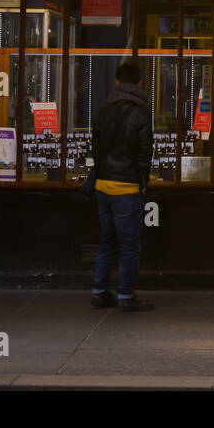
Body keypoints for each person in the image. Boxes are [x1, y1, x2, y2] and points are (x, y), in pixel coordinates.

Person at [90, 59, 155, 312]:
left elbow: (95, 146)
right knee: (129, 245)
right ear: (139, 83)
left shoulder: (104, 110)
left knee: (106, 241)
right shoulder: (141, 112)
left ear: (117, 82)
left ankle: (99, 292)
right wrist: (143, 181)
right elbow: (144, 153)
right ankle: (126, 295)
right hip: (127, 188)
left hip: (103, 185)